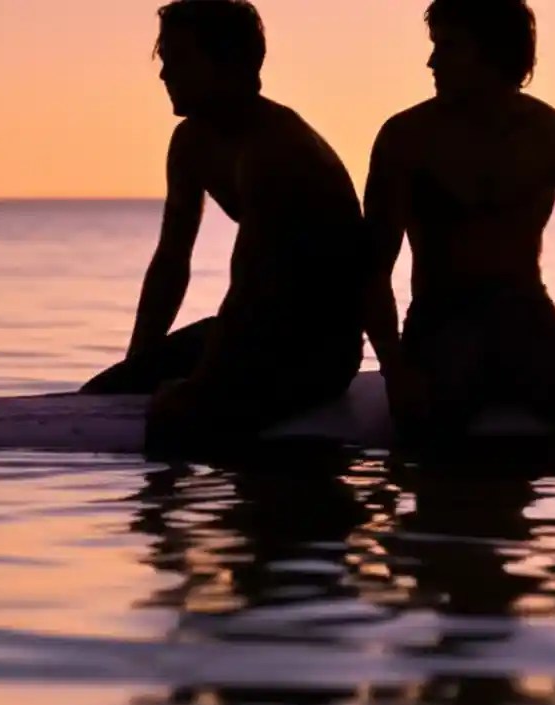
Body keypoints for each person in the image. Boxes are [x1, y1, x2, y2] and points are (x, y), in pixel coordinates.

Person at [81, 0, 366, 456]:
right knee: (101, 394)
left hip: (316, 348)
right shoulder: (192, 141)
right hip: (252, 327)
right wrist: (139, 367)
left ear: (229, 64)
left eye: (178, 60)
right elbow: (171, 262)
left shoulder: (277, 149)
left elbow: (251, 283)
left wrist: (202, 387)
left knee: (182, 425)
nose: (163, 75)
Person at [363, 0, 555, 450]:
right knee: (427, 436)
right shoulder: (406, 139)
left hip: (528, 316)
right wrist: (395, 369)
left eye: (449, 47)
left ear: (492, 54)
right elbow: (370, 268)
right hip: (442, 320)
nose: (432, 61)